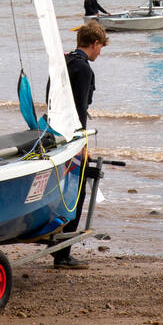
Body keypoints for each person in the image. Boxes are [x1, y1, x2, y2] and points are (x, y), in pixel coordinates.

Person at [54, 20, 109, 269]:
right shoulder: (84, 70)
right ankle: (63, 255)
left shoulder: (64, 61)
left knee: (61, 190)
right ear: (94, 43)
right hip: (71, 138)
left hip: (54, 133)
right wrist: (82, 143)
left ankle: (54, 242)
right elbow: (79, 109)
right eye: (101, 48)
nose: (100, 52)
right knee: (77, 191)